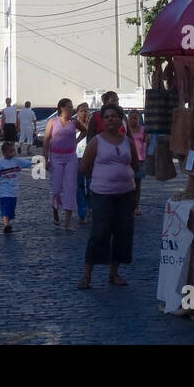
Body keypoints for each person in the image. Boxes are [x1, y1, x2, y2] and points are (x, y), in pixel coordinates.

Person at [78, 104, 138, 290]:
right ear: (102, 121)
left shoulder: (128, 141)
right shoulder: (96, 141)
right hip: (102, 194)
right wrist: (101, 179)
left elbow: (134, 164)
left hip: (126, 193)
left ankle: (114, 273)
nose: (110, 119)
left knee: (123, 232)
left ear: (121, 120)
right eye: (106, 117)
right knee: (100, 232)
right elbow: (85, 168)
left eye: (113, 116)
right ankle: (87, 275)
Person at [44, 98, 79, 232]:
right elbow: (46, 140)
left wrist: (76, 141)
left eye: (72, 107)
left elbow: (86, 130)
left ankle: (68, 222)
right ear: (61, 108)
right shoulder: (53, 122)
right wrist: (45, 158)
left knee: (70, 187)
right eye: (69, 107)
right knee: (57, 188)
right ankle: (55, 211)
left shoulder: (74, 122)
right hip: (56, 157)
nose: (71, 110)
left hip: (70, 157)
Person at [0, 141, 32, 233]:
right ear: (4, 153)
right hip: (4, 190)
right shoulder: (1, 163)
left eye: (14, 151)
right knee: (5, 207)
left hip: (14, 190)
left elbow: (28, 163)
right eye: (11, 151)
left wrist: (41, 161)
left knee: (11, 209)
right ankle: (6, 224)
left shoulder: (17, 161)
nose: (13, 153)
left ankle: (8, 223)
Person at [125, 109, 148, 216]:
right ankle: (127, 205)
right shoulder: (125, 130)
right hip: (128, 159)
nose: (133, 120)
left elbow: (146, 142)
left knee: (137, 185)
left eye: (135, 118)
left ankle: (136, 206)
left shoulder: (143, 129)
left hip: (140, 160)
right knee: (127, 184)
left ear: (139, 119)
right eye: (131, 118)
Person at [74, 102, 92, 224]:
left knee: (92, 186)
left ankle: (90, 206)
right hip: (77, 158)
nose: (84, 113)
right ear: (77, 112)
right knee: (79, 187)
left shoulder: (92, 125)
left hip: (91, 159)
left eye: (86, 110)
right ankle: (82, 212)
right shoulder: (73, 125)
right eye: (82, 110)